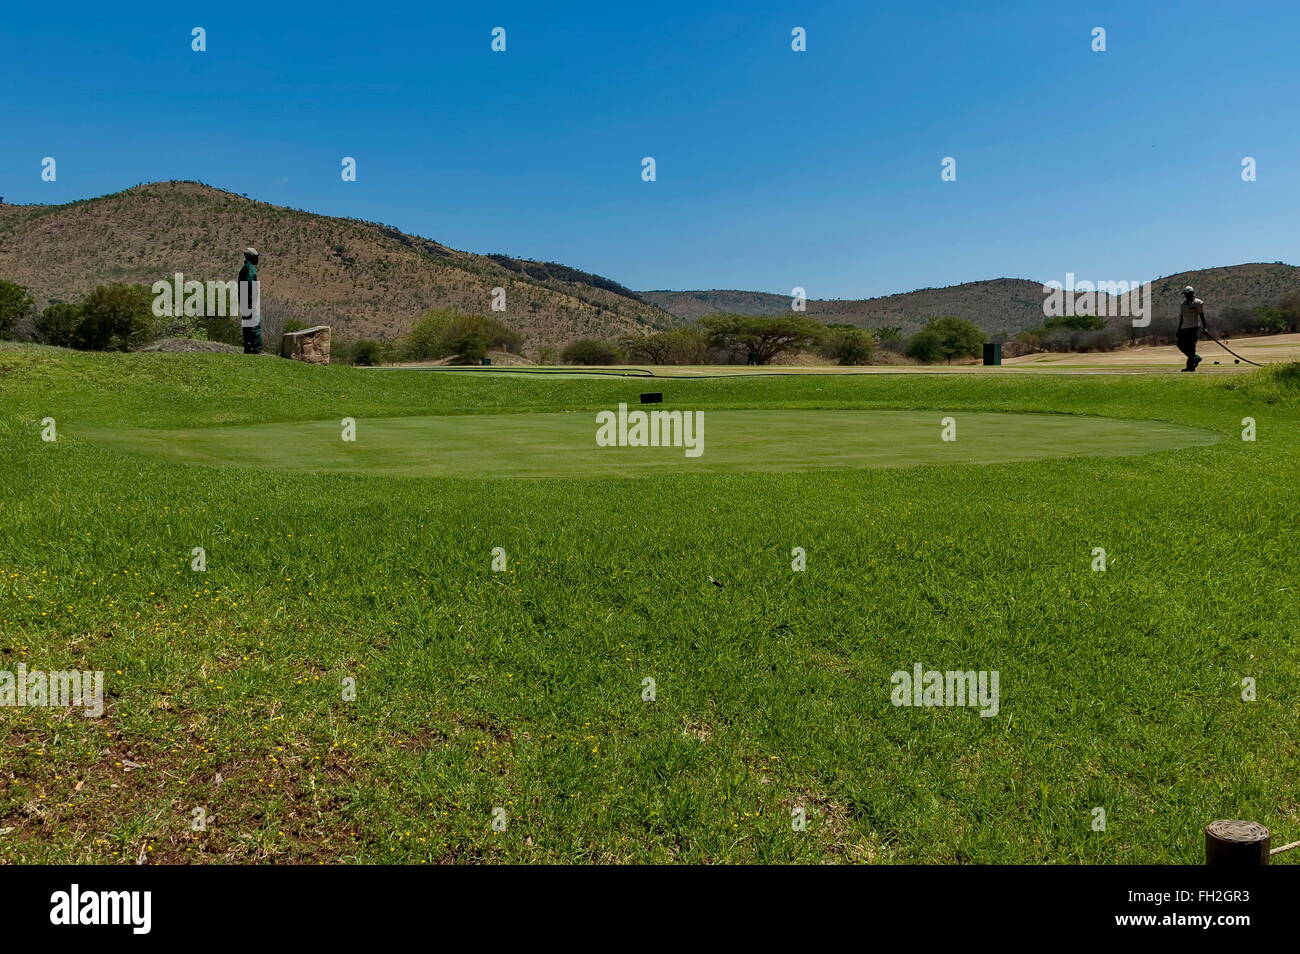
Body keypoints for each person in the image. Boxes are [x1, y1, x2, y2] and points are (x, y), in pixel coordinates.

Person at [238, 247, 262, 354]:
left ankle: (248, 349)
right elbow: (250, 285)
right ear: (251, 257)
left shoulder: (244, 268)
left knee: (247, 326)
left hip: (244, 301)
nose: (257, 259)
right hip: (249, 301)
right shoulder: (250, 268)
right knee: (254, 326)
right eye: (256, 257)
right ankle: (256, 350)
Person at [1177, 285, 1205, 372]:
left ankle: (1190, 367)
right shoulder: (1183, 305)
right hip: (1184, 328)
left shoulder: (1198, 303)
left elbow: (1202, 316)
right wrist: (1178, 329)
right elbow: (1181, 318)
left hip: (1194, 328)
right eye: (1185, 294)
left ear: (1192, 293)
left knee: (1191, 347)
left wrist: (1205, 328)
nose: (1186, 295)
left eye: (1187, 294)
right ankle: (1196, 358)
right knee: (1180, 344)